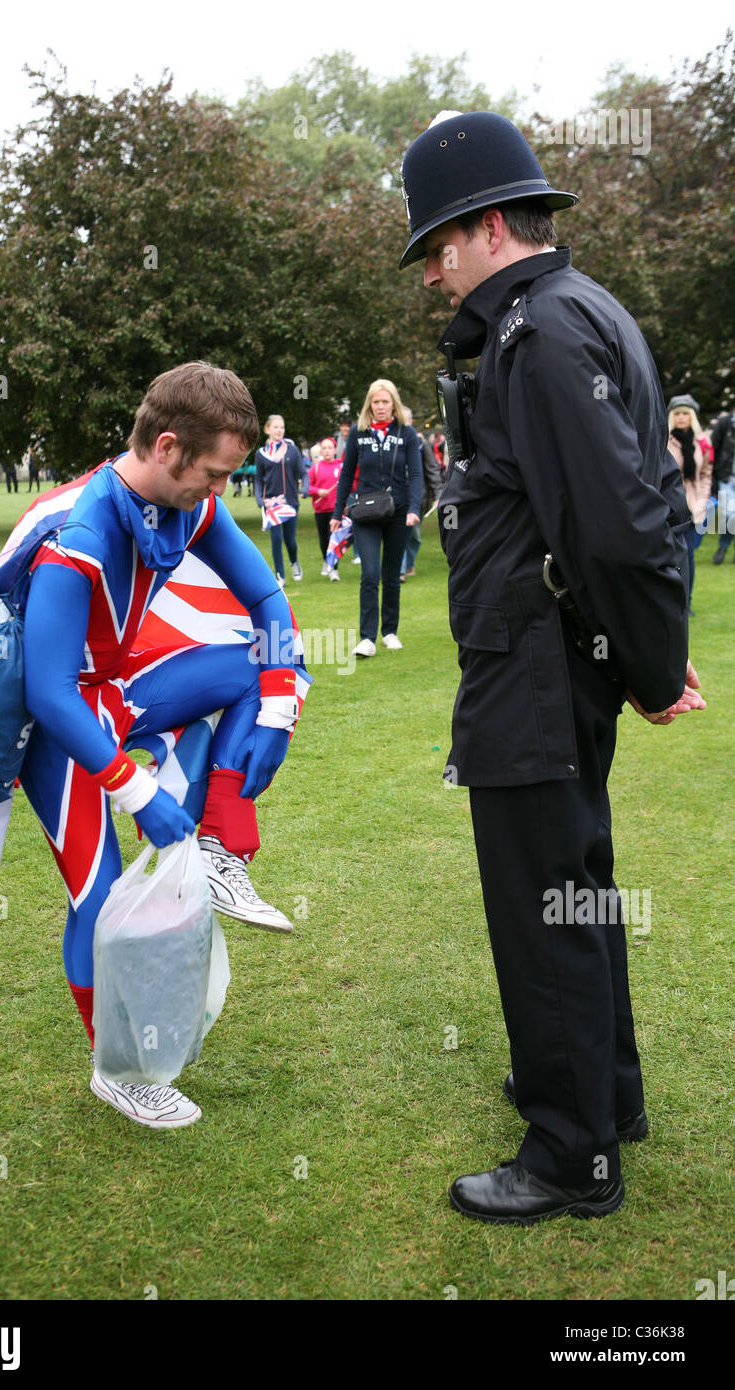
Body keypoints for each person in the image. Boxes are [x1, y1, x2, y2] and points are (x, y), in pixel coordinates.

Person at [399, 110, 703, 1224]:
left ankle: (569, 1151)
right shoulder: (581, 311)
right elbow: (629, 508)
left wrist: (654, 666)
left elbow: (621, 526)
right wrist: (642, 662)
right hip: (548, 656)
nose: (434, 274)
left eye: (438, 246)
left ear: (487, 227)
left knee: (543, 907)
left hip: (532, 663)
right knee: (572, 885)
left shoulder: (538, 333)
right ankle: (597, 1096)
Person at [15, 363, 302, 1129]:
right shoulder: (81, 529)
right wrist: (133, 788)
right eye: (213, 474)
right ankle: (120, 1068)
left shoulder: (183, 504)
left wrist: (278, 698)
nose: (219, 491)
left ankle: (222, 844)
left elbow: (266, 598)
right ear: (168, 447)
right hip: (56, 725)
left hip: (116, 691)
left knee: (256, 670)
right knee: (101, 897)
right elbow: (47, 691)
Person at [330, 379, 422, 657]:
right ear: (369, 405)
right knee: (370, 574)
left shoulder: (406, 433)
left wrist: (414, 509)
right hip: (366, 511)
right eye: (376, 402)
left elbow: (415, 474)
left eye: (385, 401)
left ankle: (390, 631)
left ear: (393, 403)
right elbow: (346, 474)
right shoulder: (358, 434)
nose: (380, 407)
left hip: (398, 512)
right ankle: (367, 638)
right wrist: (337, 513)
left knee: (392, 574)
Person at [666, 396, 713, 611]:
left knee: (689, 555)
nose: (681, 417)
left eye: (685, 413)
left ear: (692, 416)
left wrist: (702, 500)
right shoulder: (664, 440)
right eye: (677, 413)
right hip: (669, 504)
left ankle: (687, 599)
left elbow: (705, 475)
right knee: (669, 554)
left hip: (694, 505)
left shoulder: (701, 442)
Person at [254, 415, 305, 586]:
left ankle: (294, 561)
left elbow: (303, 473)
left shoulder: (292, 450)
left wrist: (304, 488)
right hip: (272, 504)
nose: (279, 430)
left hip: (290, 502)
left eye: (282, 427)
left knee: (290, 540)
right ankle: (279, 576)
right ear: (267, 429)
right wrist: (260, 499)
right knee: (276, 539)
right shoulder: (261, 454)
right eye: (275, 427)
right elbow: (258, 479)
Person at [400, 409, 441, 580]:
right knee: (400, 534)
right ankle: (400, 571)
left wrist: (438, 494)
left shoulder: (421, 444)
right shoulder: (392, 442)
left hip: (419, 498)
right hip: (398, 498)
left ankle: (409, 564)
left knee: (414, 536)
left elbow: (432, 469)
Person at [308, 436, 343, 581]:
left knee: (334, 540)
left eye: (330, 448)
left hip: (336, 510)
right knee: (324, 540)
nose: (327, 451)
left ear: (335, 450)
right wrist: (318, 491)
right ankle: (326, 561)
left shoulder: (341, 467)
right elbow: (307, 487)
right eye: (324, 448)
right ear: (321, 451)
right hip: (320, 510)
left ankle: (334, 569)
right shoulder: (315, 468)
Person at [710, 407, 735, 563]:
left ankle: (723, 548)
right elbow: (713, 449)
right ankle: (723, 546)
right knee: (730, 514)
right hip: (726, 477)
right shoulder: (724, 423)